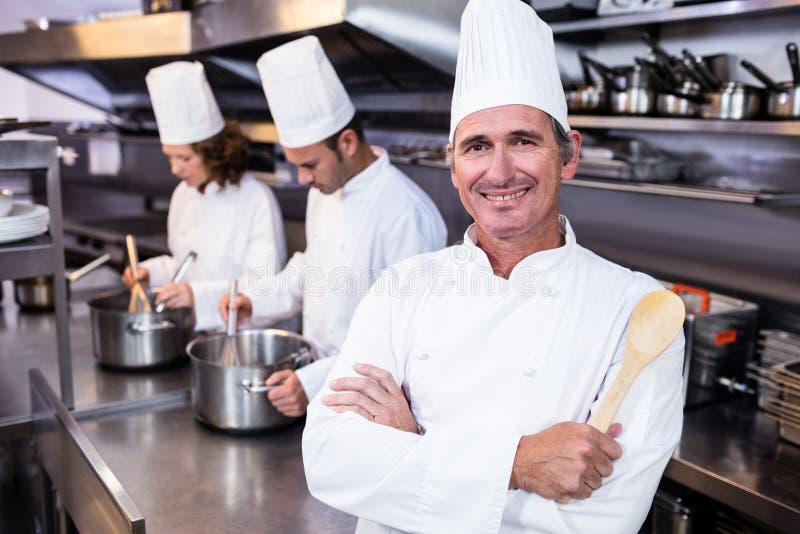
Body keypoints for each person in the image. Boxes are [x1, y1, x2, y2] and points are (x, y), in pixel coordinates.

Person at [302, 1, 686, 532]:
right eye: (477, 146)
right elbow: (331, 460)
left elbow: (600, 521)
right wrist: (519, 464)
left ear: (568, 155)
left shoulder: (638, 312)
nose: (500, 172)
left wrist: (412, 448)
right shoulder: (402, 288)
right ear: (454, 166)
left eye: (523, 141)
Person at [219, 36, 447, 418]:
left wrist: (314, 382)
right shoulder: (324, 190)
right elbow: (313, 269)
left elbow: (404, 341)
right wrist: (254, 301)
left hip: (369, 411)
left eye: (309, 164)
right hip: (315, 393)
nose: (302, 178)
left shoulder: (407, 214)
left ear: (348, 142)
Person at [122, 61, 286, 331]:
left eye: (184, 158)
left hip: (242, 337)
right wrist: (151, 273)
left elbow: (265, 288)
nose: (175, 169)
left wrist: (197, 297)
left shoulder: (256, 199)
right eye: (170, 157)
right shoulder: (182, 194)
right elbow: (185, 264)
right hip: (195, 333)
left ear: (213, 152)